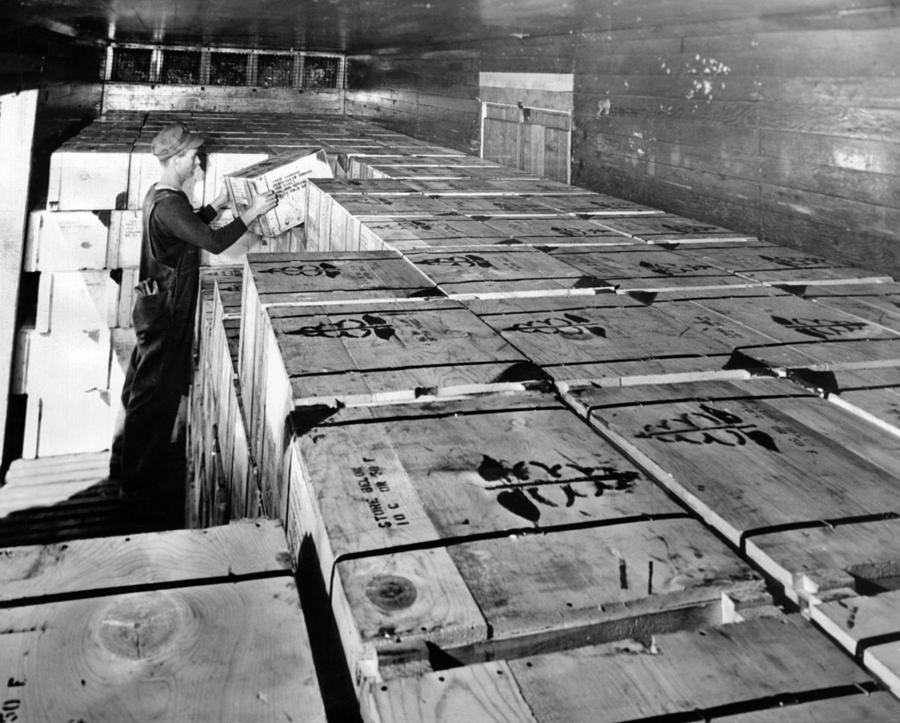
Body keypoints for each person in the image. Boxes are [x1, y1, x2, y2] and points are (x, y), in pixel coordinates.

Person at [110, 121, 277, 527]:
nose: (197, 160)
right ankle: (135, 487)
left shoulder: (164, 196)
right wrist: (252, 213)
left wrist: (218, 203)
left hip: (157, 304)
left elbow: (186, 229)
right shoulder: (169, 202)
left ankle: (127, 467)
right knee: (154, 396)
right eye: (191, 155)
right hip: (166, 310)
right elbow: (214, 243)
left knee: (142, 387)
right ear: (175, 159)